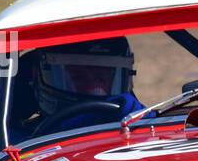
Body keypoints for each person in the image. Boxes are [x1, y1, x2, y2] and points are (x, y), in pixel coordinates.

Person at [8, 37, 145, 142]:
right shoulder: (17, 143)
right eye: (79, 78)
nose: (94, 89)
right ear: (37, 75)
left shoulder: (135, 117)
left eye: (101, 78)